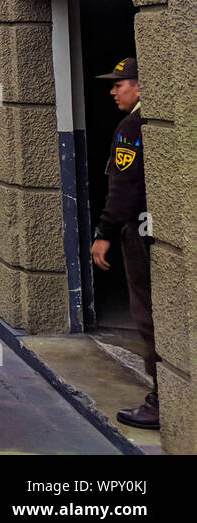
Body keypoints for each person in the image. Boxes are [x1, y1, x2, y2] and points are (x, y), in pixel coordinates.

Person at [90, 57, 158, 430]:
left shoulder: (131, 125)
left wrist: (103, 233)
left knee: (148, 314)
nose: (113, 90)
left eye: (120, 83)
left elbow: (123, 187)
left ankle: (162, 401)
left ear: (139, 85)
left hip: (141, 234)